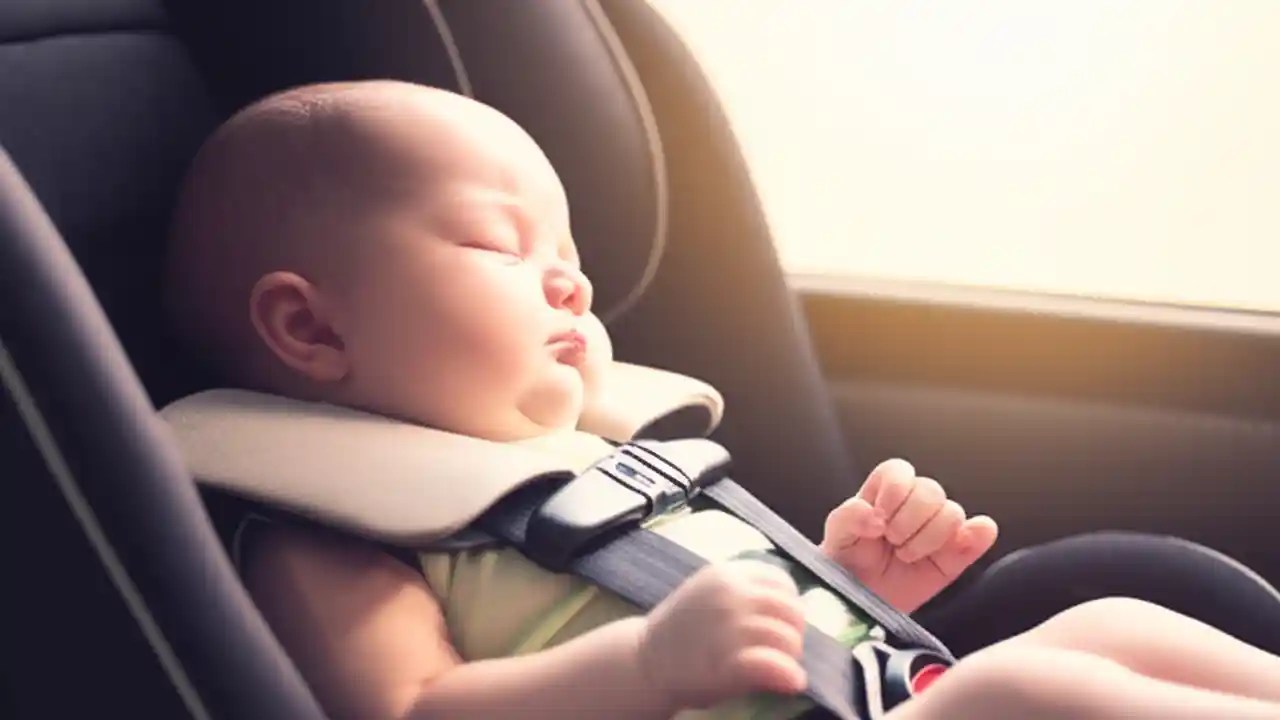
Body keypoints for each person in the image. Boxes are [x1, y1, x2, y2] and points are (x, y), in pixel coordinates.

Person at [162, 79, 1280, 719]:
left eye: (567, 250)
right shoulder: (330, 535)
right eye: (496, 246)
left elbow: (695, 609)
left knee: (1106, 624)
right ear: (309, 328)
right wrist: (639, 669)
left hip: (874, 693)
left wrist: (844, 584)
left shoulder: (585, 466)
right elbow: (404, 713)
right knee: (1030, 691)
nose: (570, 279)